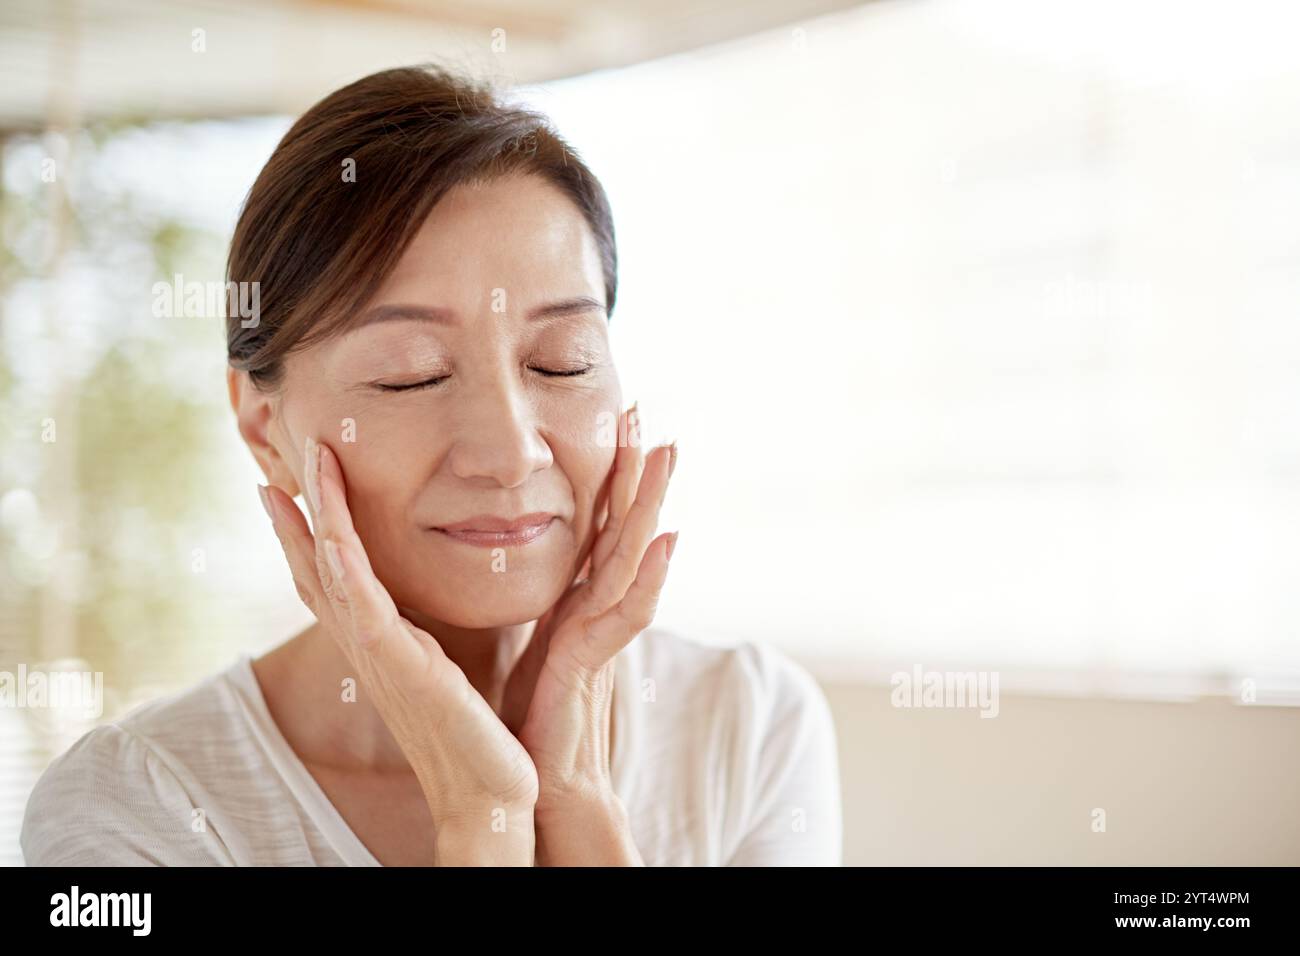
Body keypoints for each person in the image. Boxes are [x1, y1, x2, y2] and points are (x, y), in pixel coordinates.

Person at [20, 64, 842, 866]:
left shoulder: (745, 727)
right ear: (264, 426)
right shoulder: (135, 812)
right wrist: (480, 817)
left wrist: (576, 799)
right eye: (410, 373)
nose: (512, 450)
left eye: (563, 360)